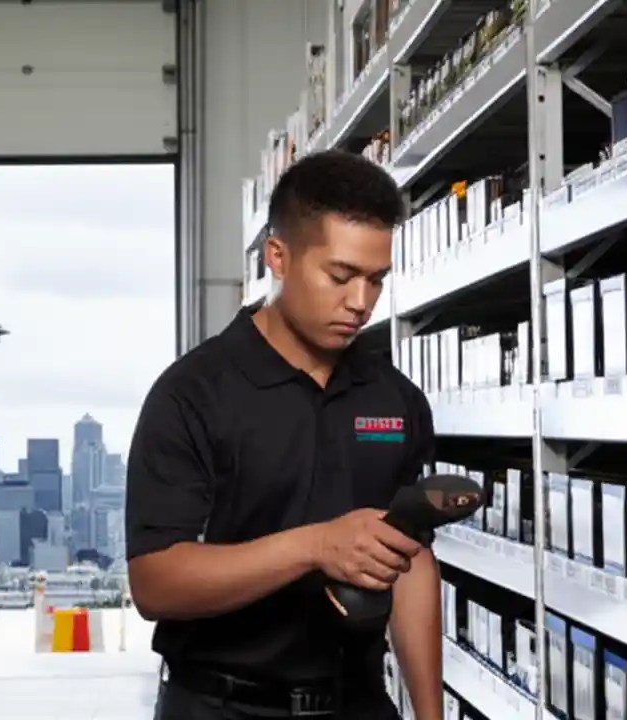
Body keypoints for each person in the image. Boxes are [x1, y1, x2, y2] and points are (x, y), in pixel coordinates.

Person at [126, 149, 441, 719]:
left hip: (359, 704)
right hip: (221, 706)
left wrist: (430, 714)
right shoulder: (191, 395)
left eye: (377, 280)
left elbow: (410, 558)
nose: (361, 303)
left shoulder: (396, 399)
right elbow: (155, 583)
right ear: (278, 255)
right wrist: (317, 546)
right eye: (340, 276)